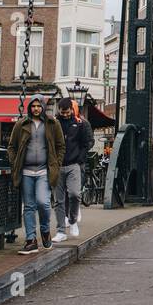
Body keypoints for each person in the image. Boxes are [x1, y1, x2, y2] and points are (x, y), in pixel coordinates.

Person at [8, 95, 64, 254]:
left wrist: (56, 164)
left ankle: (45, 231)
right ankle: (31, 239)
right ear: (29, 108)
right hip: (25, 171)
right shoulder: (21, 124)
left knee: (43, 202)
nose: (36, 109)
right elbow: (12, 146)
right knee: (29, 206)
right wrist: (15, 162)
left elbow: (60, 146)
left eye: (39, 106)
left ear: (43, 107)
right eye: (33, 106)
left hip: (43, 172)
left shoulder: (53, 124)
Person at [52, 98, 93, 242]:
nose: (64, 115)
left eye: (67, 112)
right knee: (59, 200)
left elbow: (86, 142)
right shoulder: (54, 123)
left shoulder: (80, 124)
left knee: (75, 194)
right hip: (57, 166)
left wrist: (79, 158)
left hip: (73, 164)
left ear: (71, 109)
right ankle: (61, 231)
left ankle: (73, 220)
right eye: (62, 112)